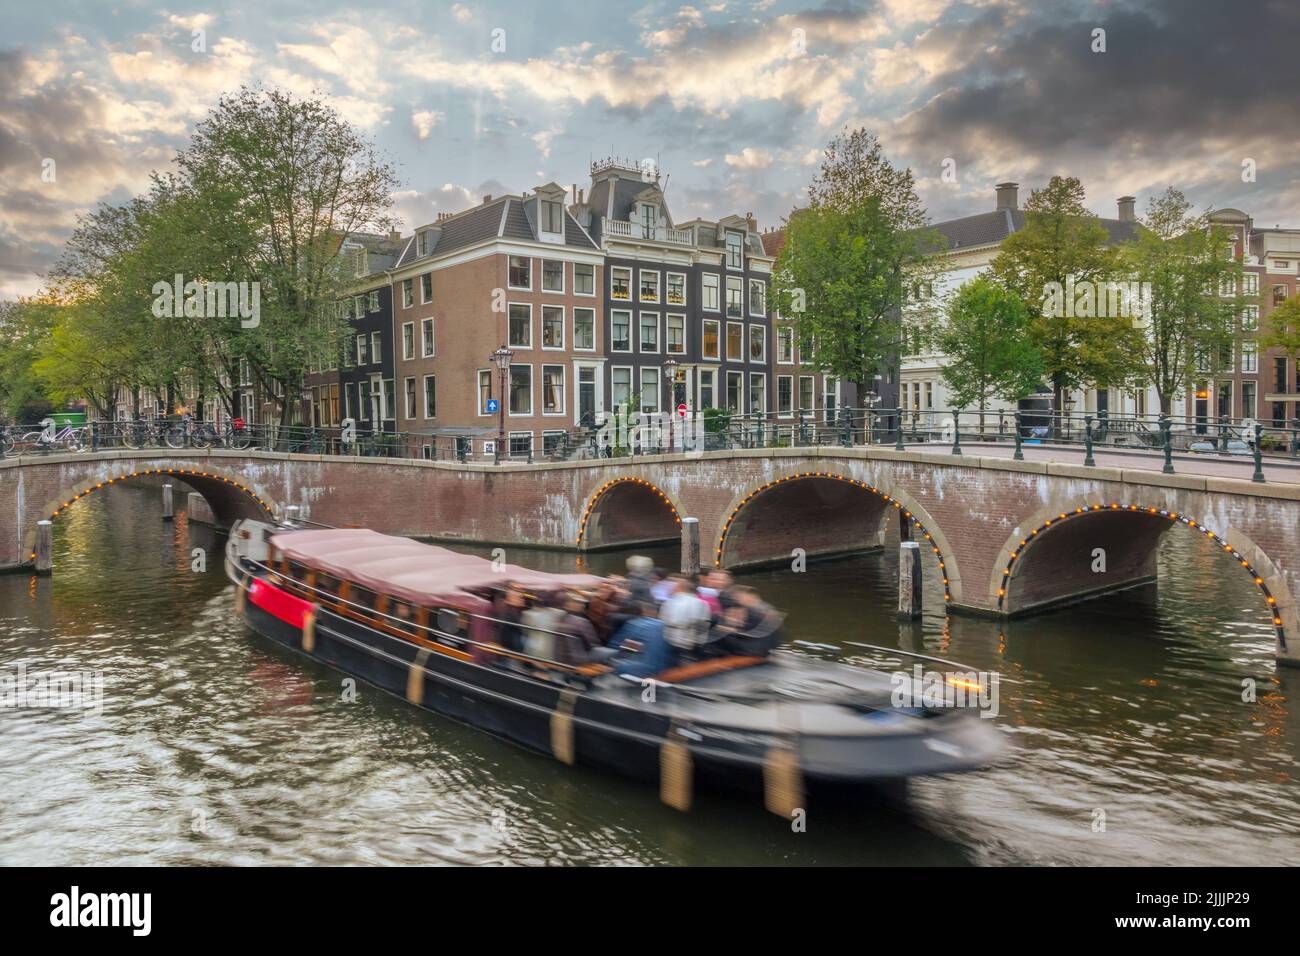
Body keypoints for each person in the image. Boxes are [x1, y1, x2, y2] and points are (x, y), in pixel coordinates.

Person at [608, 601, 677, 679]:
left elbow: (615, 648)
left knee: (612, 662)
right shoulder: (666, 626)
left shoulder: (635, 624)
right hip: (668, 671)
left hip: (641, 671)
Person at [659, 576, 712, 654]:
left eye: (674, 586)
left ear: (680, 588)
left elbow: (664, 622)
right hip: (696, 646)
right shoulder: (704, 604)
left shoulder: (672, 602)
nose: (671, 589)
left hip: (673, 644)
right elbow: (704, 626)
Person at [555, 590, 602, 665]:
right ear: (567, 604)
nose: (582, 605)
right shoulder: (581, 622)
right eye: (578, 602)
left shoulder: (557, 617)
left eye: (582, 602)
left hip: (558, 659)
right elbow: (592, 645)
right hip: (576, 663)